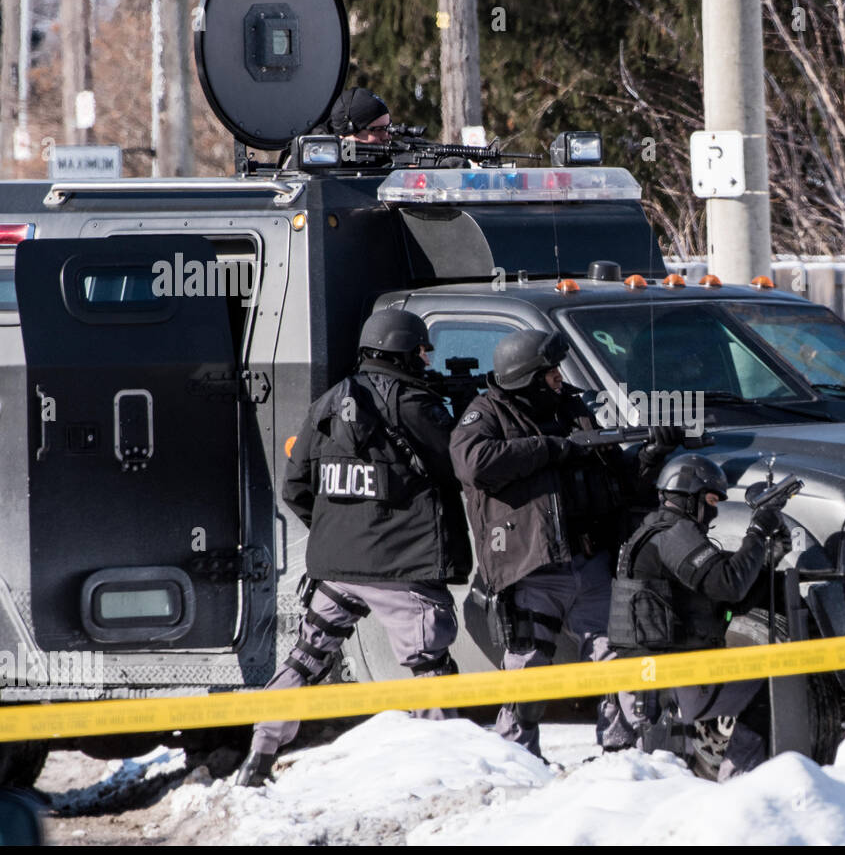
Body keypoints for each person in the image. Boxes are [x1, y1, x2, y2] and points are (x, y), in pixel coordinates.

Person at [236, 308, 471, 786]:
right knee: (430, 668)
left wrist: (336, 528)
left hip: (337, 570)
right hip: (401, 569)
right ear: (402, 351)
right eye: (421, 352)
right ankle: (450, 772)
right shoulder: (413, 404)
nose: (426, 361)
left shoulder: (328, 401)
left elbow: (296, 486)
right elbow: (460, 466)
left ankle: (258, 756)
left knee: (305, 659)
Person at [450, 329, 682, 759]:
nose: (560, 377)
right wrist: (552, 449)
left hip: (589, 562)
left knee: (621, 661)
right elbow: (473, 462)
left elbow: (618, 476)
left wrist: (652, 453)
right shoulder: (487, 414)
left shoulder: (573, 409)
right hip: (531, 568)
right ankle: (516, 763)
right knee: (528, 672)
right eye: (551, 371)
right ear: (528, 376)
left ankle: (625, 756)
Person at [607, 454, 790, 781]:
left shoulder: (658, 532)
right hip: (663, 683)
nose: (715, 509)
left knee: (672, 780)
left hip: (657, 680)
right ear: (686, 496)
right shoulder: (674, 533)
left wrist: (764, 556)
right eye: (710, 498)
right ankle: (742, 784)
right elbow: (728, 584)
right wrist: (758, 530)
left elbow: (722, 590)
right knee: (770, 688)